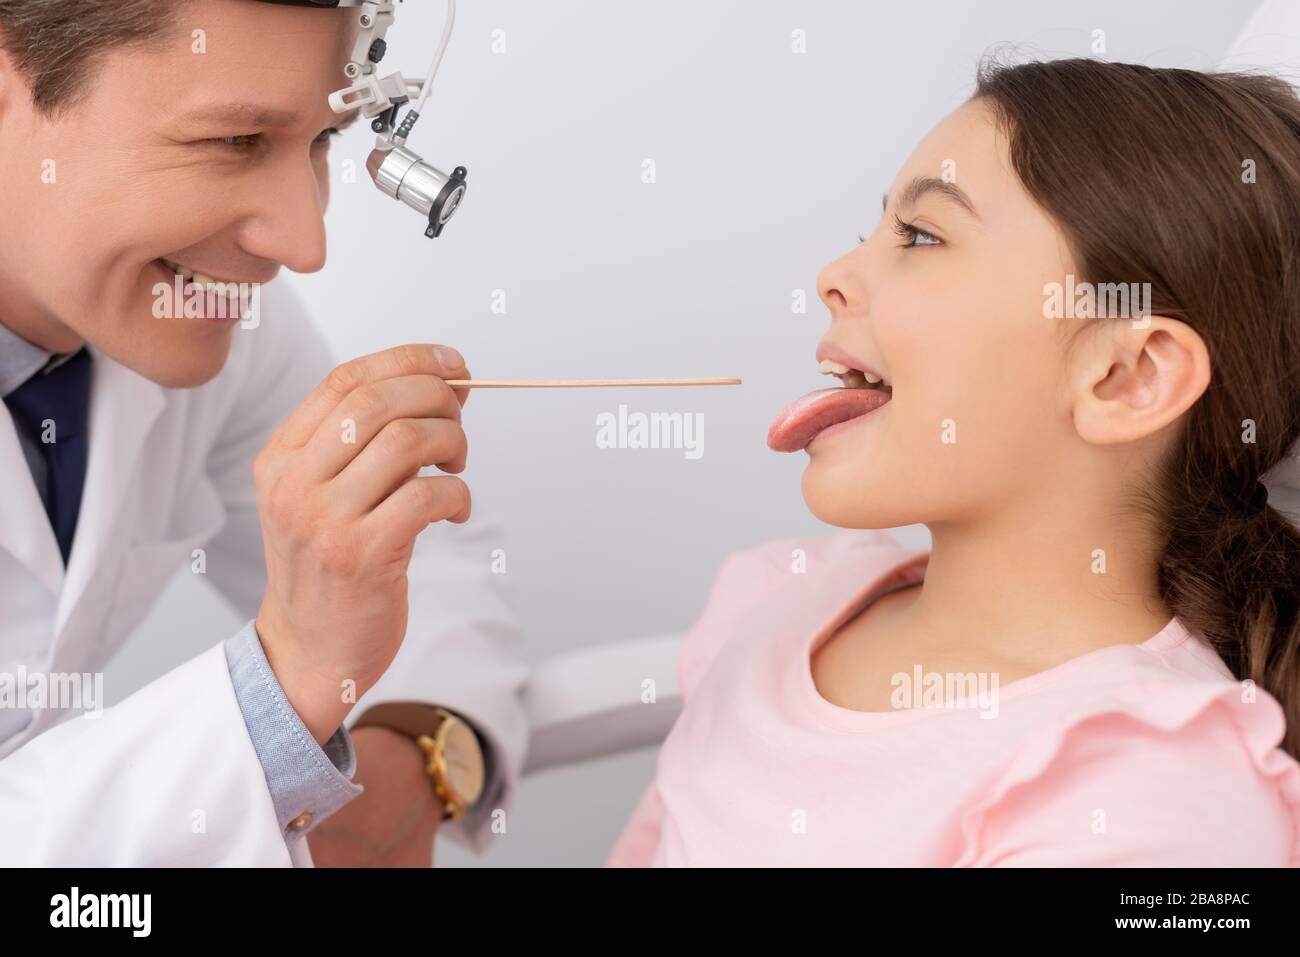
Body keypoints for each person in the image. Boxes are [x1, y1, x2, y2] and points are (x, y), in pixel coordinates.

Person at [609, 58, 1300, 867]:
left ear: (1128, 377)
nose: (833, 275)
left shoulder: (1158, 802)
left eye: (922, 236)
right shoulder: (782, 602)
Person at [0, 0, 526, 865]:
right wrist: (283, 689)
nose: (305, 242)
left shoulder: (192, 315)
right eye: (235, 142)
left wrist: (418, 756)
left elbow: (426, 569)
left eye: (321, 141)